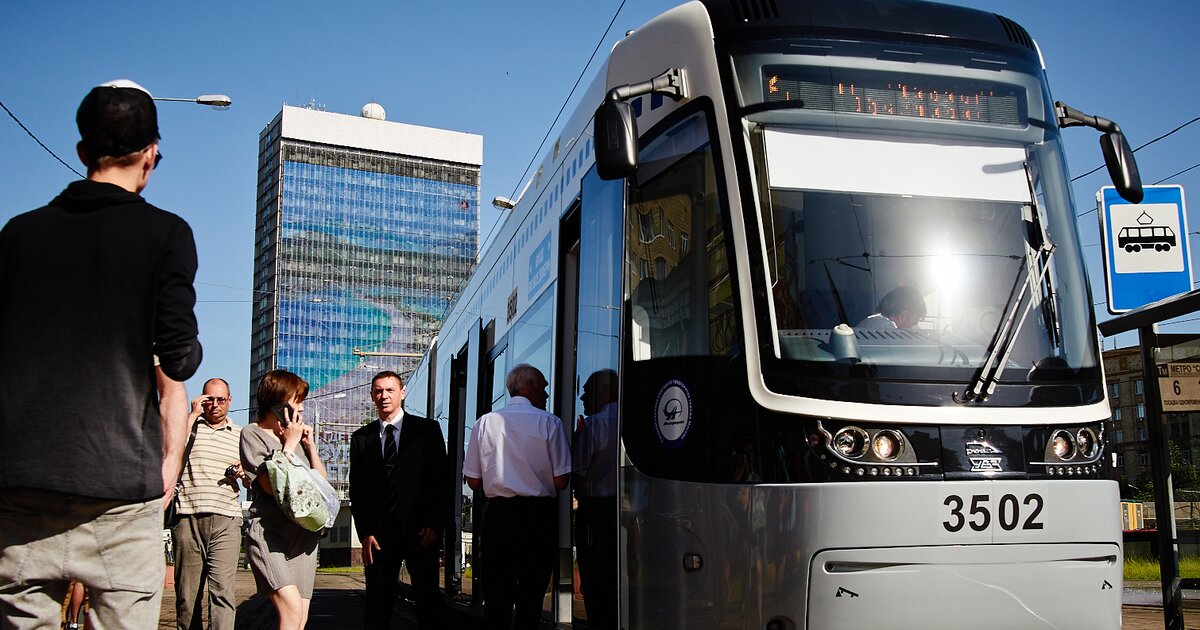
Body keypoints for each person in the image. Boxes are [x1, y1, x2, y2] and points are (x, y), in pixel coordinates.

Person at [0, 79, 202, 628]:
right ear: (151, 153)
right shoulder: (166, 234)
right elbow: (179, 359)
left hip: (22, 484)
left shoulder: (18, 235)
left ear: (82, 150)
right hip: (119, 485)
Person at [464, 364, 571, 630]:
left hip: (498, 516)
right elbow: (561, 481)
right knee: (531, 596)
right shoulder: (550, 422)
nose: (546, 394)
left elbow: (473, 481)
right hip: (538, 517)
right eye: (543, 387)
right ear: (530, 387)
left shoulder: (484, 422)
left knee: (497, 595)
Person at [349, 371, 449, 629]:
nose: (384, 396)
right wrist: (365, 532)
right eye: (378, 391)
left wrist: (435, 523)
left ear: (402, 393)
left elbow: (441, 480)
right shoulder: (361, 438)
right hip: (379, 537)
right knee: (377, 605)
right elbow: (357, 491)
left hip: (422, 532)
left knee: (428, 602)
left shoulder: (427, 430)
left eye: (390, 390)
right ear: (372, 396)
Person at [240, 370, 327, 630]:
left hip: (303, 538)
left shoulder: (296, 438)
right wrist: (288, 446)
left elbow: (320, 484)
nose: (302, 408)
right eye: (297, 400)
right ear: (278, 402)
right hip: (270, 534)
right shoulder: (252, 434)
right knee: (290, 609)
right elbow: (269, 487)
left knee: (299, 617)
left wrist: (309, 447)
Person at [172, 378, 244, 630]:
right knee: (187, 595)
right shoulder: (188, 427)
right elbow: (170, 450)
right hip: (188, 516)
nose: (215, 405)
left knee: (222, 592)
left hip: (227, 518)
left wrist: (243, 471)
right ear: (200, 400)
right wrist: (192, 415)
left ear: (229, 400)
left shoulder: (240, 435)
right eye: (209, 399)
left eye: (220, 399)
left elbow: (251, 479)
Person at [573, 369, 619, 628]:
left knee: (595, 578)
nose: (582, 397)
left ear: (604, 392)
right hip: (627, 508)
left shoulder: (593, 425)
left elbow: (578, 475)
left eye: (587, 391)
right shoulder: (632, 420)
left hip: (595, 511)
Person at [856, 285, 926, 330]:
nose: (913, 327)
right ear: (902, 316)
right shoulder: (885, 329)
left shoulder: (874, 322)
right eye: (913, 322)